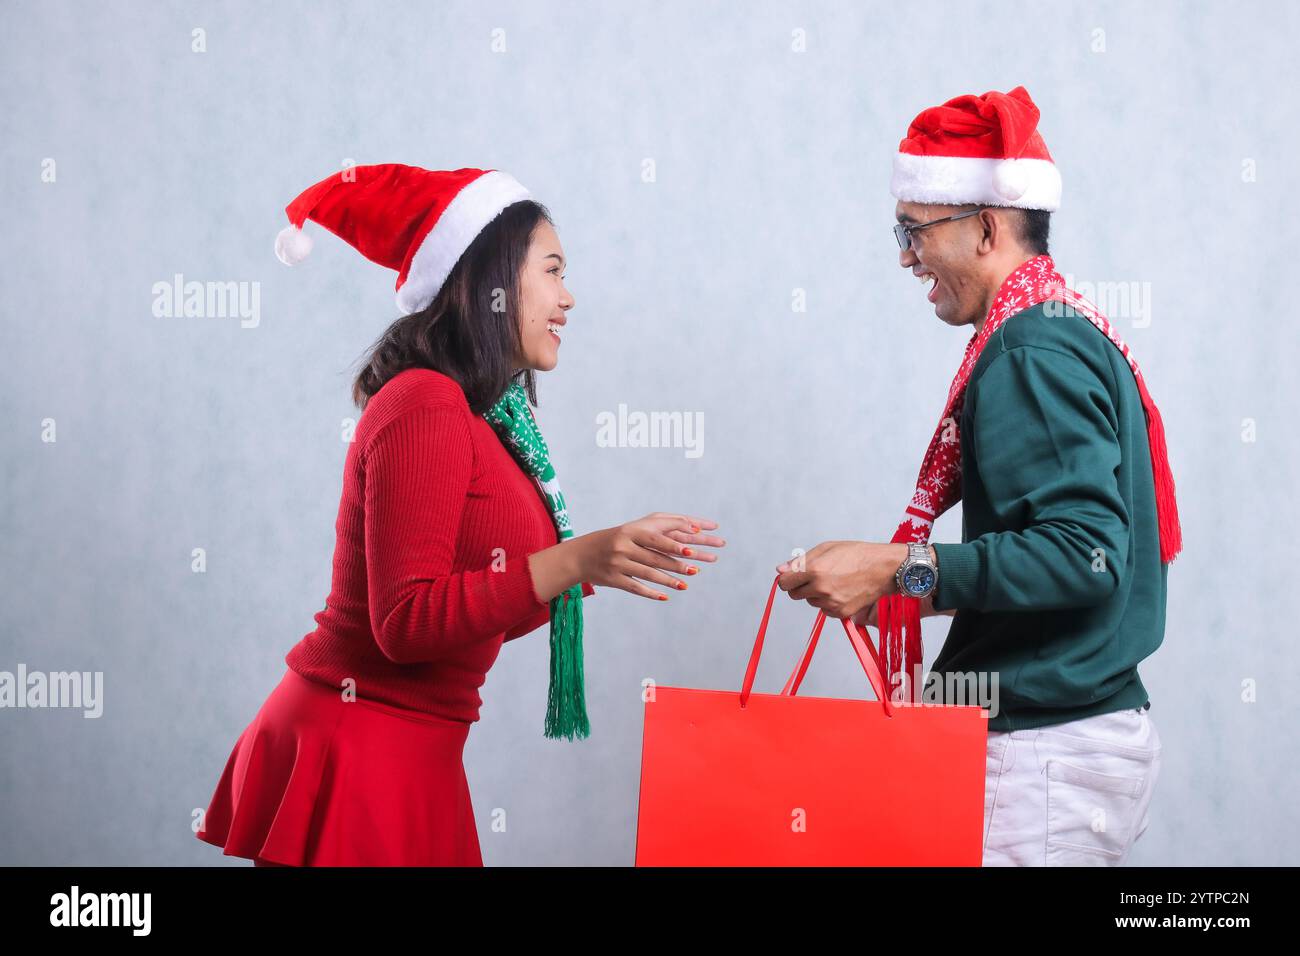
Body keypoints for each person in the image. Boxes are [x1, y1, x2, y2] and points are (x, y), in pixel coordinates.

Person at [195, 164, 724, 866]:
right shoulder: (426, 405)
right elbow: (406, 623)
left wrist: (601, 560)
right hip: (359, 752)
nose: (569, 298)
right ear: (488, 282)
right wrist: (575, 558)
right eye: (553, 271)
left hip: (417, 755)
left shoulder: (484, 422)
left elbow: (474, 612)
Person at [774, 87, 1181, 866]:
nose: (903, 255)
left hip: (1041, 757)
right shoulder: (1061, 326)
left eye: (913, 229)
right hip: (1069, 744)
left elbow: (1083, 555)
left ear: (987, 226)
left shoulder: (1031, 349)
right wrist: (885, 579)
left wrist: (898, 566)